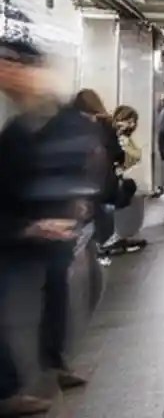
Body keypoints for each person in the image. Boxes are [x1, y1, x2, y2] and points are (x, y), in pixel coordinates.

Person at [0, 37, 97, 415]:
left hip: (49, 226)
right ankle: (7, 388)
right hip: (17, 227)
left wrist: (77, 200)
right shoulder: (16, 128)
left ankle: (53, 362)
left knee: (57, 292)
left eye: (13, 64)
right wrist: (26, 226)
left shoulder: (57, 119)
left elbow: (80, 162)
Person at [69, 90, 125, 267]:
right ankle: (102, 247)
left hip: (80, 179)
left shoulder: (69, 125)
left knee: (85, 218)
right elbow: (117, 153)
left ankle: (87, 252)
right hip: (102, 177)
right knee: (103, 212)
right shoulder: (106, 124)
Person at [102, 106, 145, 257]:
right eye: (129, 121)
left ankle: (120, 236)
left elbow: (135, 155)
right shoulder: (115, 137)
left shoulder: (121, 137)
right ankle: (116, 238)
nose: (132, 125)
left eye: (133, 122)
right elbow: (132, 155)